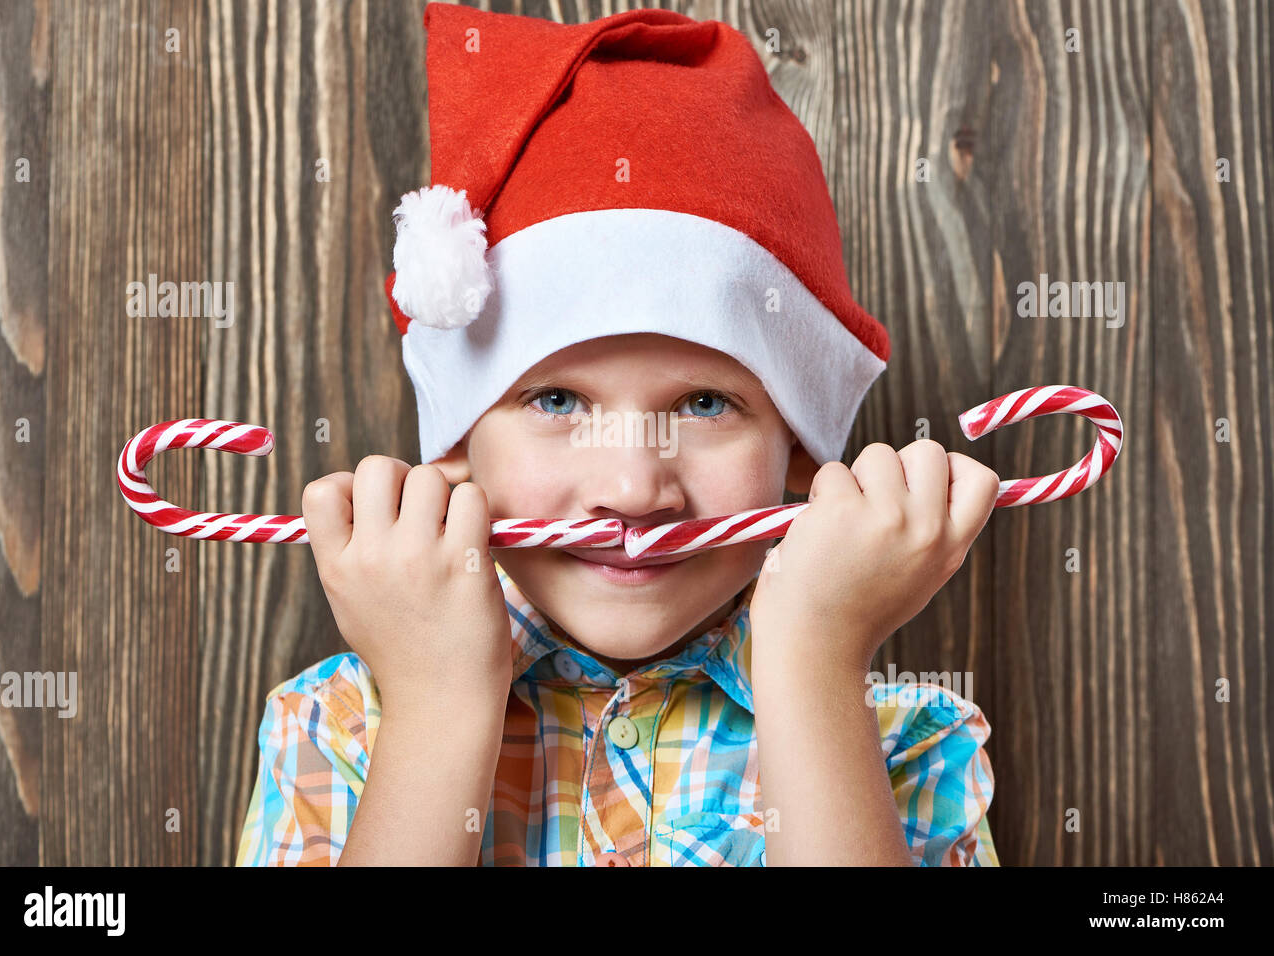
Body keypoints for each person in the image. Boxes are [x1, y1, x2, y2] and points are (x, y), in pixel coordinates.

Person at [236, 2, 1000, 866]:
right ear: (453, 434)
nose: (634, 489)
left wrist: (815, 661)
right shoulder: (339, 728)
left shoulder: (909, 745)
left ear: (796, 440)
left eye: (704, 404)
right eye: (557, 400)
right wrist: (438, 699)